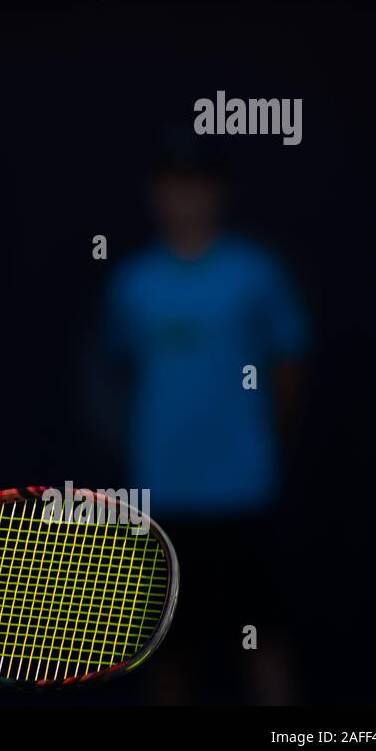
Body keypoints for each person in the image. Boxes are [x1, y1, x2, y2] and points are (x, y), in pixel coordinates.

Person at [98, 134, 309, 704]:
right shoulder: (134, 282)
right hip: (163, 497)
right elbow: (116, 374)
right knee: (166, 648)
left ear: (217, 193)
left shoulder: (254, 273)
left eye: (196, 186)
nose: (184, 199)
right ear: (155, 195)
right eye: (173, 187)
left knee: (262, 637)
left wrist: (265, 446)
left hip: (243, 491)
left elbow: (290, 364)